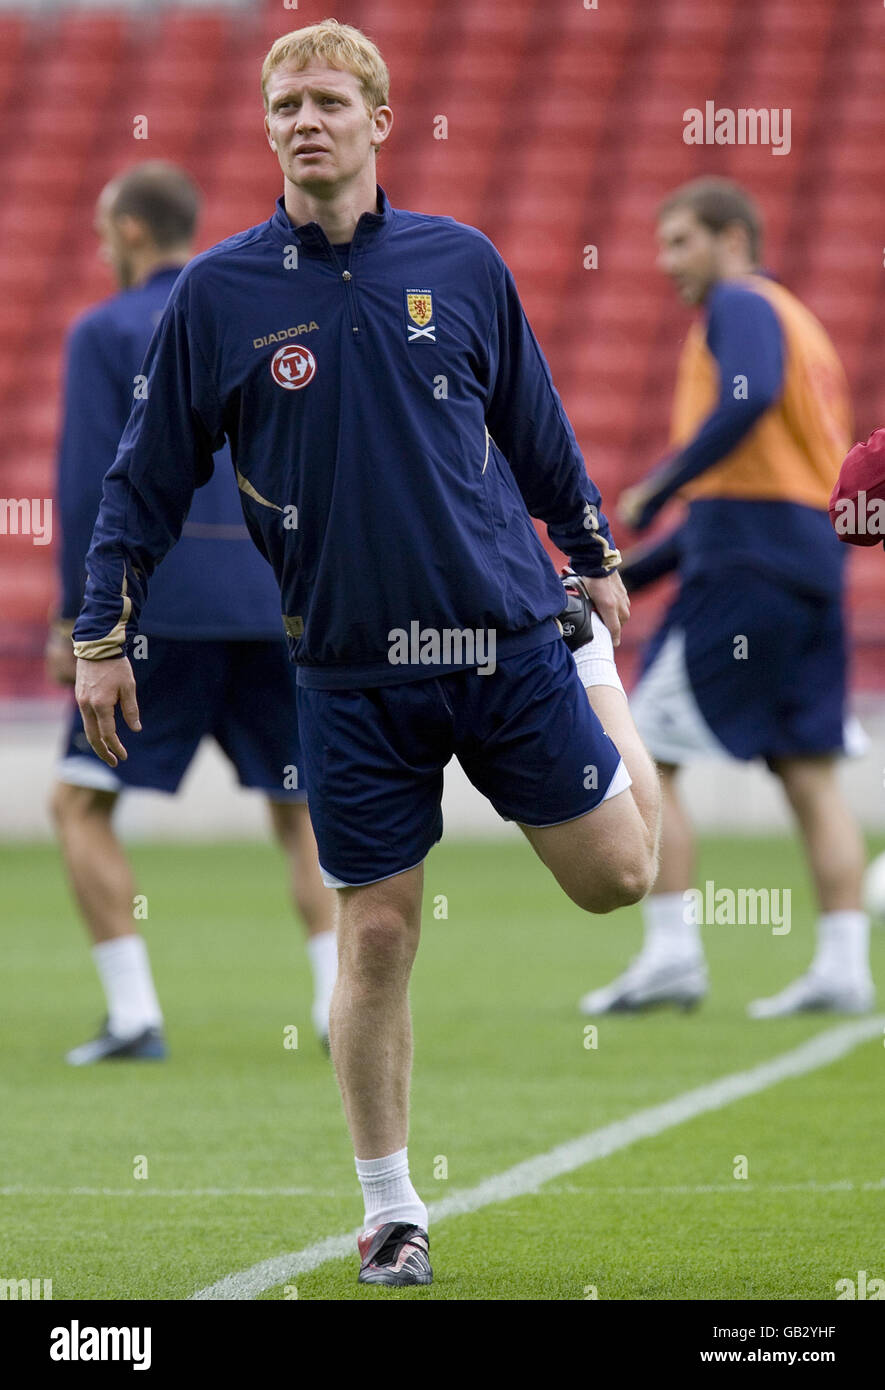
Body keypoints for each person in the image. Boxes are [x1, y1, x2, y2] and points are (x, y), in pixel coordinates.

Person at [71, 22, 660, 1285]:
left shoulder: (464, 260)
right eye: (284, 103)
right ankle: (391, 1209)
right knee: (378, 933)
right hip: (345, 671)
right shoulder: (218, 296)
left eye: (329, 99)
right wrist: (102, 633)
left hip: (502, 637)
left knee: (620, 876)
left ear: (380, 118)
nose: (304, 119)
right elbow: (143, 480)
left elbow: (538, 426)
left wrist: (594, 553)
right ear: (267, 127)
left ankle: (600, 681)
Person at [48, 161, 336, 1064]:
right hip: (272, 600)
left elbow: (96, 475)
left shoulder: (105, 331)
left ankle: (135, 1016)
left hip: (157, 611)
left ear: (131, 230)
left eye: (104, 227)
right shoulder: (256, 311)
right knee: (304, 809)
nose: (99, 244)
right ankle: (339, 1008)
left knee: (78, 804)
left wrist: (80, 620)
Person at [579, 177, 873, 1020]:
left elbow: (750, 402)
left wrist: (661, 480)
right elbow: (754, 492)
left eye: (681, 241)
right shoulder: (803, 324)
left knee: (646, 755)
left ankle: (672, 951)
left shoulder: (741, 306)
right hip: (808, 563)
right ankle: (844, 964)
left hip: (746, 574)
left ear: (733, 240)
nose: (667, 261)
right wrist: (625, 575)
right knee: (808, 772)